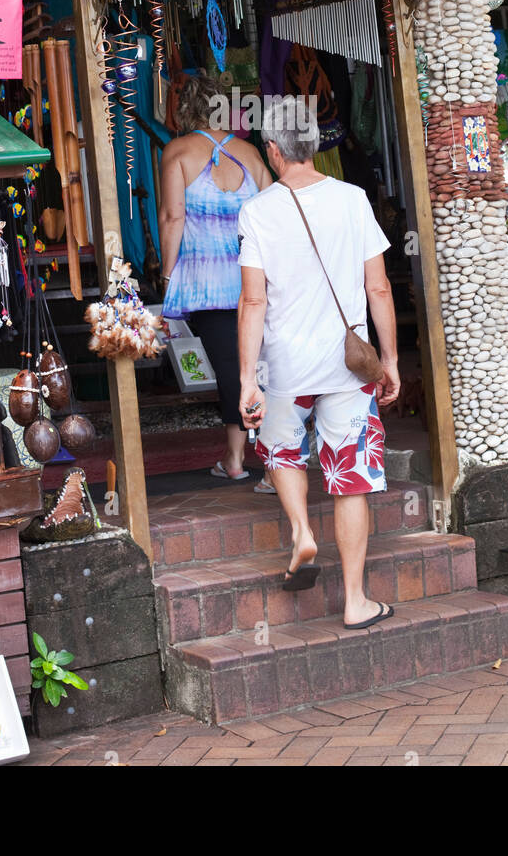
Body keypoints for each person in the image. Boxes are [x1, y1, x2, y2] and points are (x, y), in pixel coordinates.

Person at [237, 98, 401, 628]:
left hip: (284, 366)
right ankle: (355, 602)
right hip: (349, 367)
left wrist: (246, 379)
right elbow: (377, 285)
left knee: (283, 453)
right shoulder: (353, 200)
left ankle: (302, 533)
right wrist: (391, 359)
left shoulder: (258, 211)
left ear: (274, 151)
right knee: (350, 477)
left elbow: (254, 301)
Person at [158, 74, 272, 480]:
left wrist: (167, 276)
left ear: (187, 107)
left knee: (230, 371)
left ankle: (246, 462)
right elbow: (272, 219)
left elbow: (173, 217)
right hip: (254, 281)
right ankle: (243, 459)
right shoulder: (252, 154)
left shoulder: (178, 152)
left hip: (207, 287)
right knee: (256, 369)